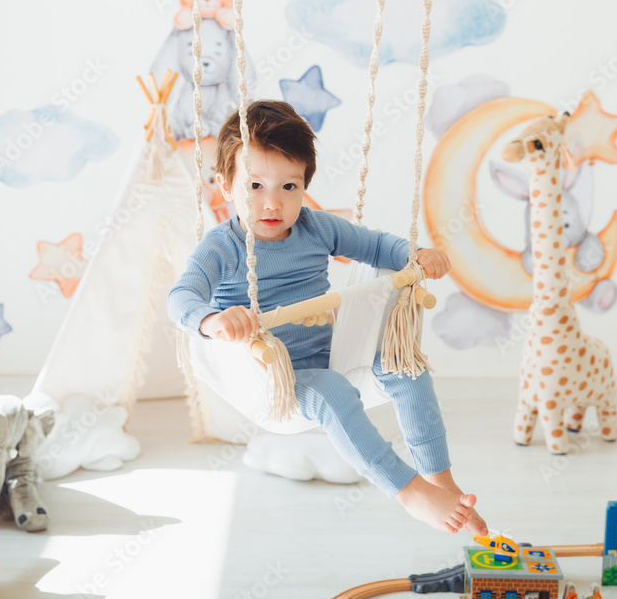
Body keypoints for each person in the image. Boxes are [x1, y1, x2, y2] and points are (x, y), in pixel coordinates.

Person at [168, 100, 486, 535]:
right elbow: (181, 297)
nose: (272, 202)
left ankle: (440, 480)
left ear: (305, 185)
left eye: (289, 186)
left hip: (332, 356)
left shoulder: (316, 228)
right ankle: (410, 492)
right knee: (332, 391)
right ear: (225, 186)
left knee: (405, 366)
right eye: (255, 185)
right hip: (270, 378)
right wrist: (211, 321)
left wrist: (416, 255)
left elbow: (378, 247)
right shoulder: (222, 247)